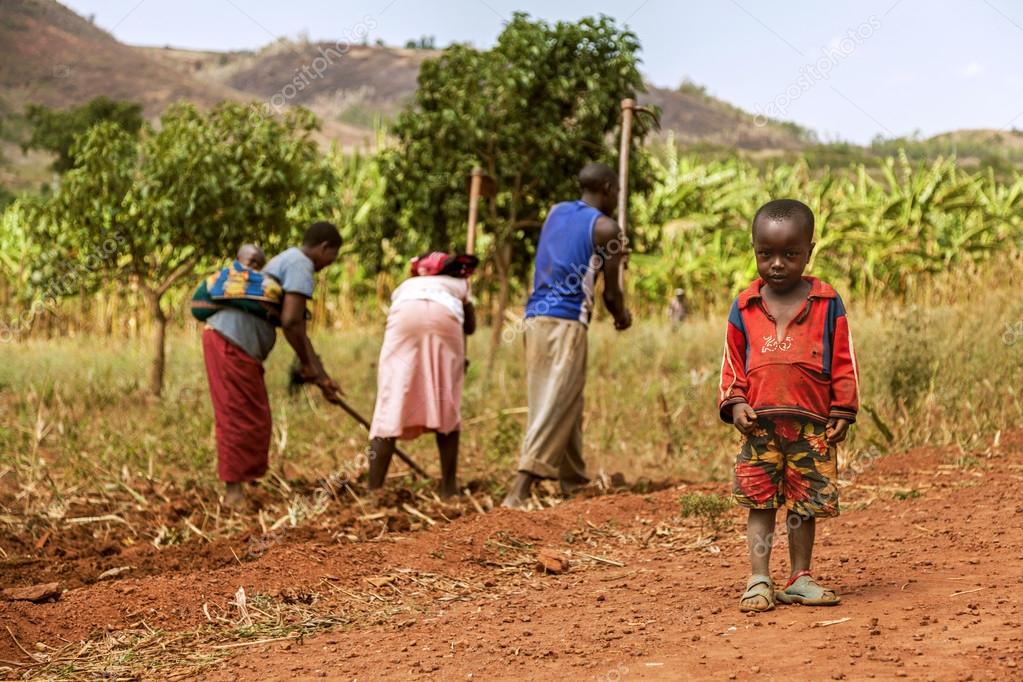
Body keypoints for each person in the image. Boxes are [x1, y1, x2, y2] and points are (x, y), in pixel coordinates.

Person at [718, 199, 859, 612]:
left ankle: (800, 576)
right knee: (759, 503)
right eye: (766, 254)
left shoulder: (827, 302)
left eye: (790, 254)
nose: (777, 264)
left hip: (812, 427)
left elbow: (843, 359)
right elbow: (731, 360)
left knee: (803, 505)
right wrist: (736, 402)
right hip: (760, 428)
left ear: (809, 251)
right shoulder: (744, 305)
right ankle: (759, 577)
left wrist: (843, 409)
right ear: (754, 250)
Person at [501, 162, 632, 509]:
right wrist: (623, 316)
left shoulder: (555, 212)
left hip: (534, 319)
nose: (617, 197)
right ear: (606, 188)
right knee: (555, 402)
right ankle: (520, 488)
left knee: (566, 396)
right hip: (568, 322)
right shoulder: (606, 228)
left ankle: (573, 480)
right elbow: (611, 295)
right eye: (616, 190)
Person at [202, 222, 343, 508]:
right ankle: (233, 493)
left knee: (254, 415)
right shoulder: (301, 265)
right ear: (324, 248)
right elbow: (292, 323)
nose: (329, 265)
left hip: (237, 345)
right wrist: (311, 368)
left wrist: (319, 373)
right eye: (332, 258)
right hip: (231, 342)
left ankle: (245, 483)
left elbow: (295, 325)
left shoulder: (289, 261)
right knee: (237, 414)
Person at [367, 252, 478, 498]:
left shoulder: (406, 285)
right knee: (445, 399)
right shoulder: (459, 284)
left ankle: (374, 491)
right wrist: (465, 300)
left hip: (404, 318)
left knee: (391, 402)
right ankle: (449, 488)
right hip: (445, 321)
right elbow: (469, 327)